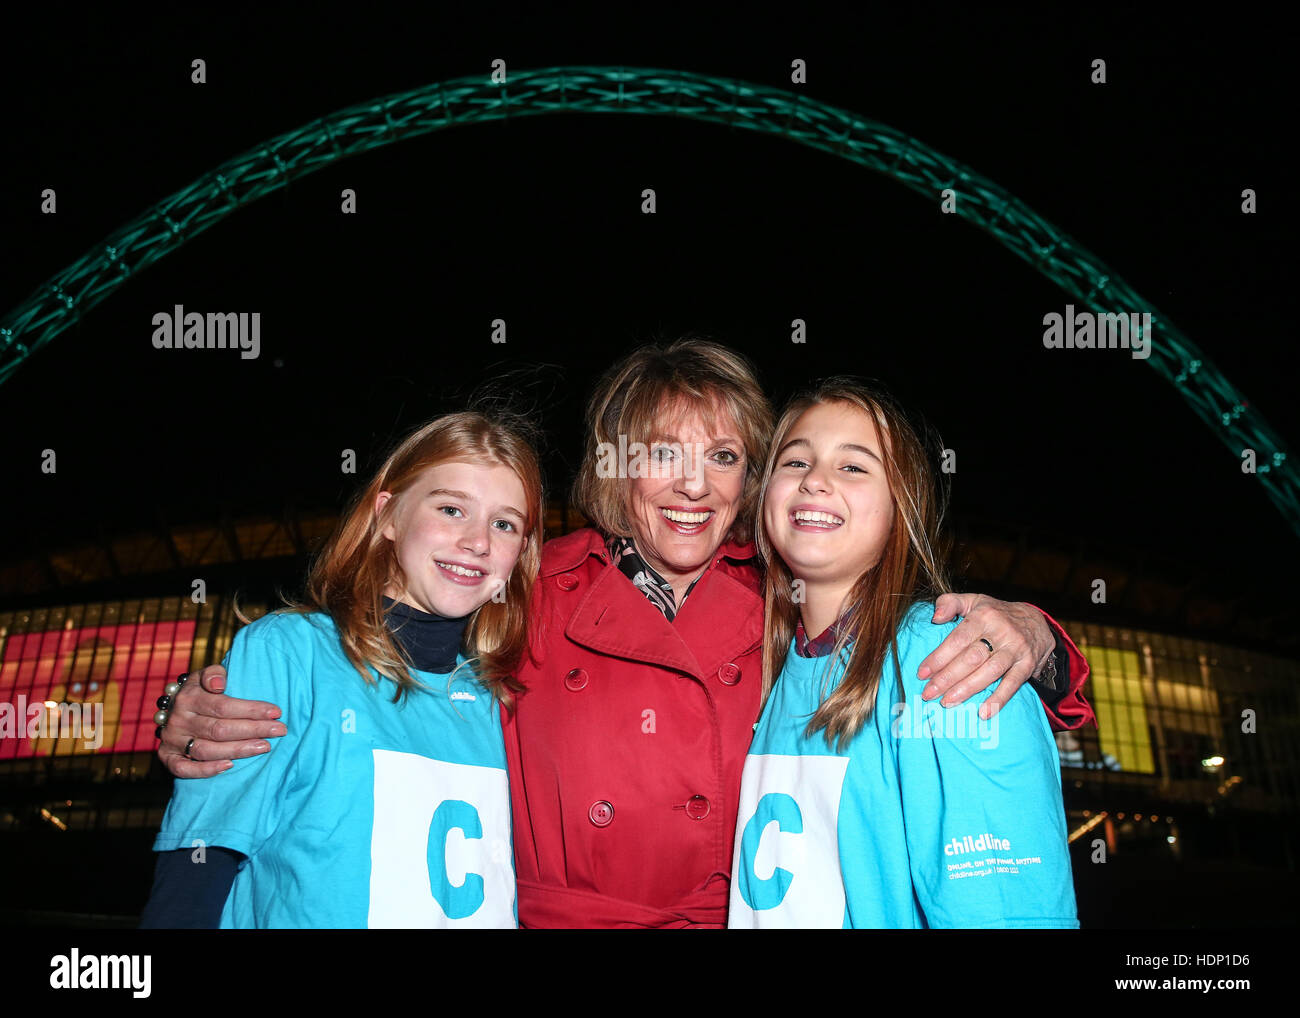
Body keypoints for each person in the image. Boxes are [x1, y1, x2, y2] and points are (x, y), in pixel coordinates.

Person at [154, 339, 1093, 928]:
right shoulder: (529, 585)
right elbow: (387, 661)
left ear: (751, 483)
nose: (694, 485)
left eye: (724, 456)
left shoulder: (778, 602)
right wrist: (214, 710)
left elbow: (889, 641)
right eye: (661, 455)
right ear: (613, 467)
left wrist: (1037, 636)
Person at [139, 410, 544, 927]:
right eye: (450, 509)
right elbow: (201, 860)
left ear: (522, 552)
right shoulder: (291, 654)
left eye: (504, 524)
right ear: (389, 516)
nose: (478, 541)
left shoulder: (504, 698)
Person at [731, 380, 1077, 927]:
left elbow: (1005, 912)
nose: (815, 481)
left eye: (853, 467)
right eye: (795, 462)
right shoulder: (775, 664)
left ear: (900, 508)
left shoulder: (952, 658)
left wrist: (1042, 635)